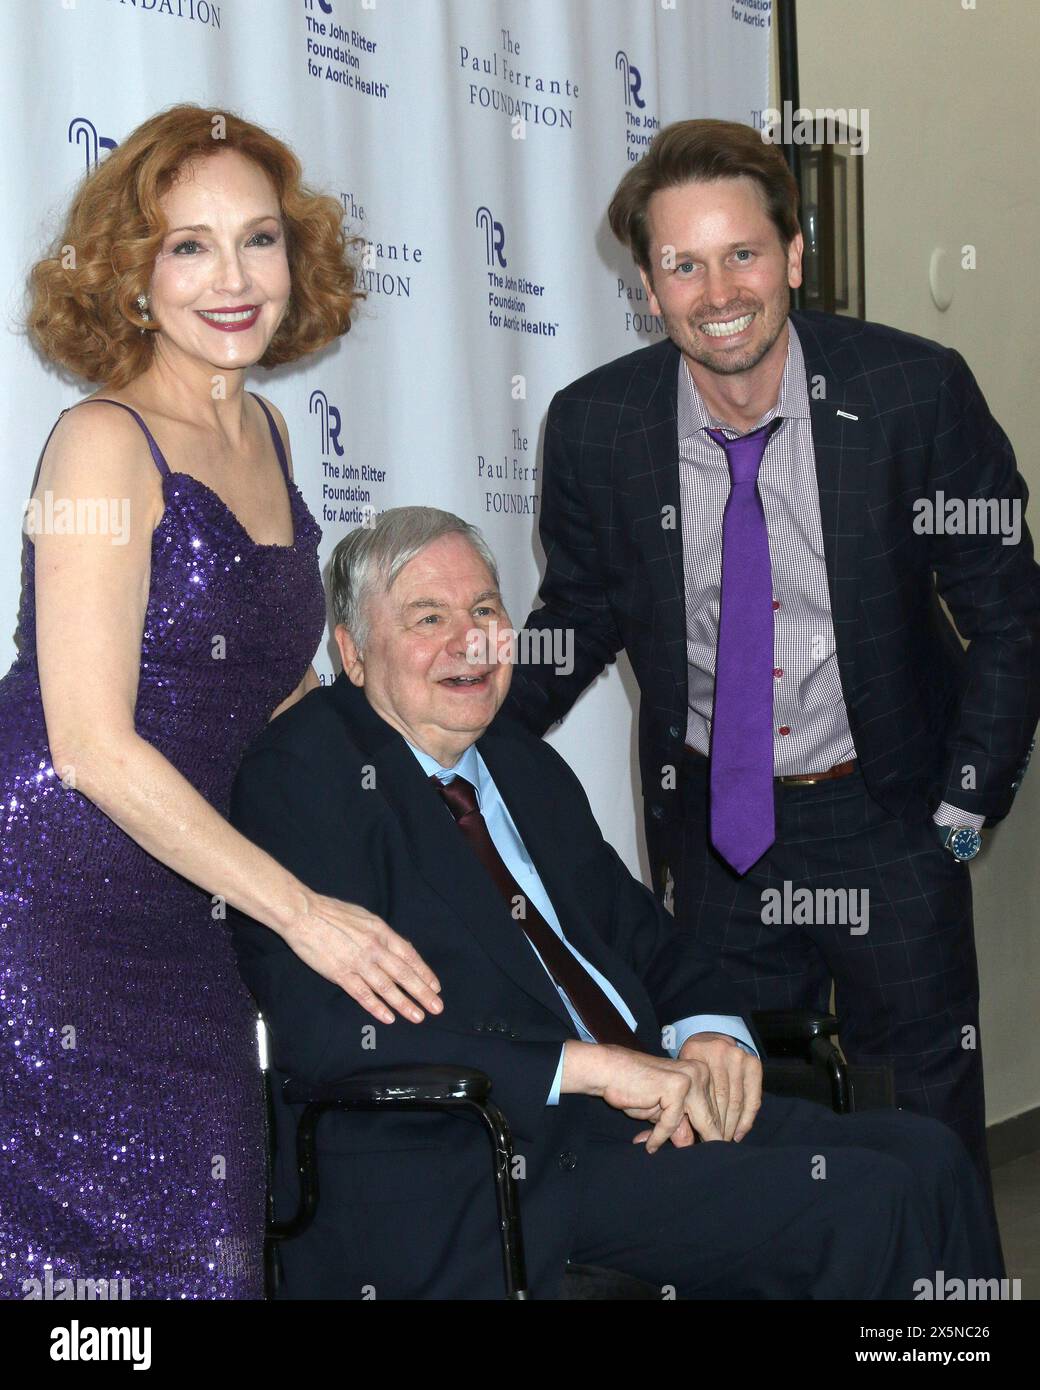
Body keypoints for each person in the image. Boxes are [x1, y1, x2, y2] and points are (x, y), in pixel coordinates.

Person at [229, 506, 1003, 1300]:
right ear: (352, 653)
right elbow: (327, 1038)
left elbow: (648, 940)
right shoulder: (305, 774)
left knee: (929, 1156)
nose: (472, 640)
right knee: (872, 1203)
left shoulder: (521, 765)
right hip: (480, 1156)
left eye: (486, 610)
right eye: (429, 618)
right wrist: (588, 1069)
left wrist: (708, 1029)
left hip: (640, 1118)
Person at [501, 119, 1040, 1221]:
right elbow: (580, 616)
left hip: (887, 812)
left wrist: (962, 808)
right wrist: (453, 729)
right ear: (648, 287)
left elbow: (1005, 610)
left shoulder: (908, 392)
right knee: (741, 1117)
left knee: (920, 1113)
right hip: (715, 832)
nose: (716, 291)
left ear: (792, 255)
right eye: (682, 265)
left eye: (741, 254)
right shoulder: (598, 427)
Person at [0, 104, 440, 1301]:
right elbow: (89, 741)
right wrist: (303, 913)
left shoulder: (265, 430)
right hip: (51, 910)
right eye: (187, 246)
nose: (232, 278)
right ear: (133, 278)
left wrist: (396, 744)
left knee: (206, 1247)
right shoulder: (102, 441)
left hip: (193, 901)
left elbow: (254, 678)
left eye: (257, 240)